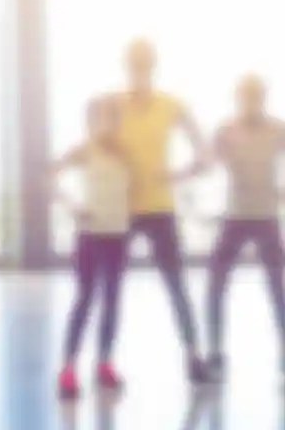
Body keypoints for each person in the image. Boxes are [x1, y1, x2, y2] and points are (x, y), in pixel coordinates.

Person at [109, 39, 210, 382]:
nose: (138, 70)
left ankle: (193, 355)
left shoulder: (171, 106)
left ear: (152, 67)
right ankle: (105, 362)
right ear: (127, 67)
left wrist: (179, 174)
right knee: (112, 286)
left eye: (144, 65)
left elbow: (204, 152)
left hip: (159, 209)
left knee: (176, 284)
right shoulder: (113, 105)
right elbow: (97, 149)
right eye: (134, 65)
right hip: (121, 210)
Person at [204, 75, 285, 382]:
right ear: (239, 99)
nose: (251, 102)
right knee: (216, 283)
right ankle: (215, 351)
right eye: (246, 97)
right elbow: (208, 160)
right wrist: (212, 158)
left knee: (277, 287)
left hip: (266, 217)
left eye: (256, 96)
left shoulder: (277, 129)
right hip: (236, 216)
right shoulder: (226, 130)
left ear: (263, 98)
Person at [52, 98, 132, 399]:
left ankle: (104, 363)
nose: (105, 124)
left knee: (112, 301)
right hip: (90, 236)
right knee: (85, 300)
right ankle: (68, 369)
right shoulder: (84, 150)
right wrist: (72, 205)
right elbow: (50, 176)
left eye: (110, 118)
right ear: (90, 122)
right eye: (99, 119)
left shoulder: (126, 153)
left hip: (118, 236)